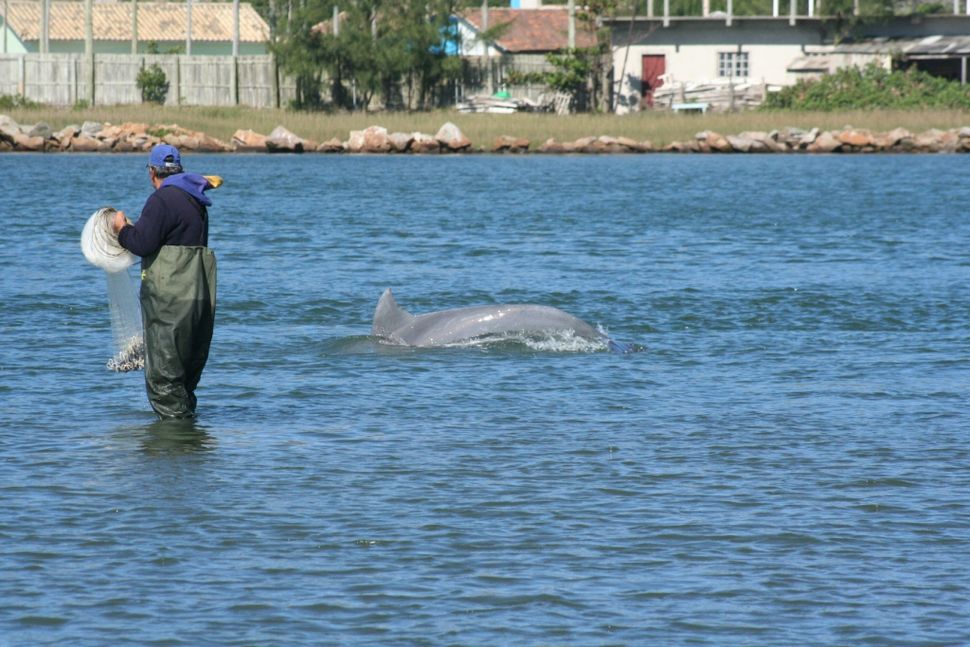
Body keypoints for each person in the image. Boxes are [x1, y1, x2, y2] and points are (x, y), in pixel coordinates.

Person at [112, 144, 218, 418]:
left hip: (170, 302)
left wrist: (122, 229)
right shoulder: (196, 200)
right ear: (178, 169)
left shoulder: (161, 200)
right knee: (185, 378)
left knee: (164, 380)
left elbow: (142, 244)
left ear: (152, 172)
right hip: (198, 299)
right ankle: (190, 447)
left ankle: (171, 451)